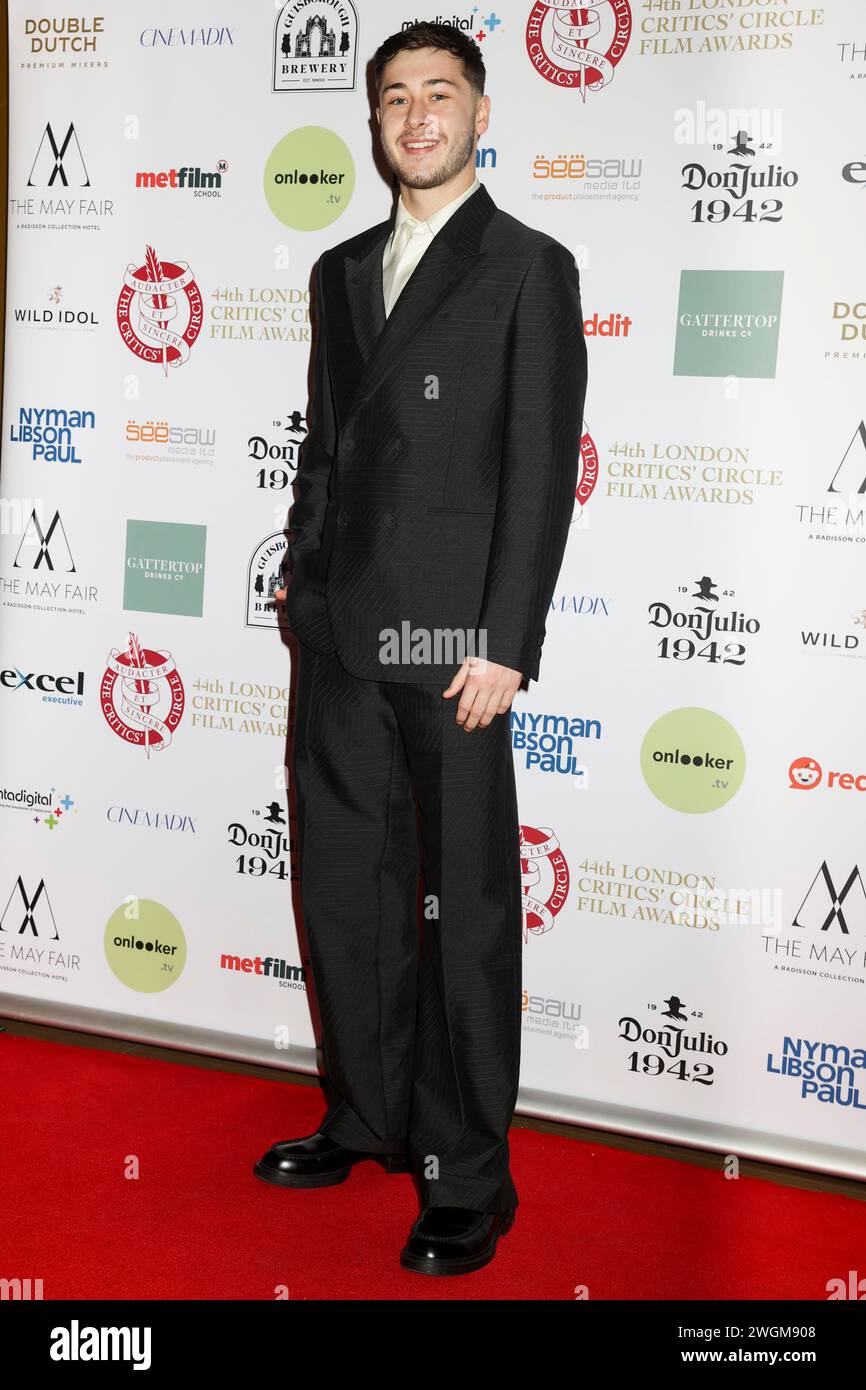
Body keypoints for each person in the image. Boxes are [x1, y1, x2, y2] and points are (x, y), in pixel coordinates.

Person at [254, 20, 587, 1278]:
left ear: (480, 111)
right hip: (341, 637)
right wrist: (303, 579)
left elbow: (540, 469)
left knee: (459, 913)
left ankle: (464, 1176)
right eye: (394, 96)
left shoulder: (525, 266)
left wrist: (506, 640)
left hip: (457, 649)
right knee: (346, 888)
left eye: (438, 92)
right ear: (376, 122)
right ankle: (367, 1116)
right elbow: (327, 444)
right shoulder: (340, 269)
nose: (415, 114)